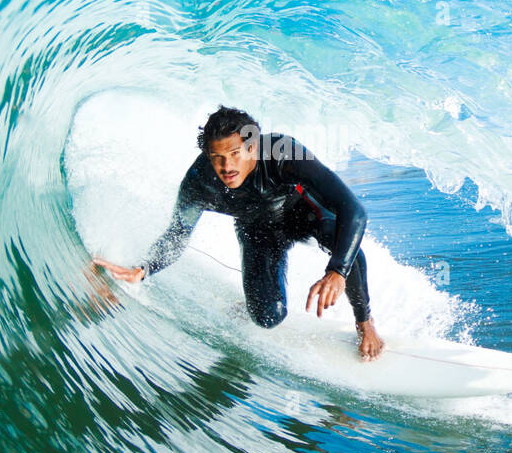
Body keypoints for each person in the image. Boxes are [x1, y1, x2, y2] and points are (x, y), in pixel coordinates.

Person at [94, 106, 385, 360]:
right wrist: (143, 270)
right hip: (257, 231)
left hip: (305, 214)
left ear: (252, 148)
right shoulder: (199, 183)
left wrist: (337, 271)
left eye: (234, 153)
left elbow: (354, 210)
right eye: (216, 157)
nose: (226, 166)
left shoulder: (282, 152)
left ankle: (365, 322)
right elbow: (177, 234)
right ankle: (252, 300)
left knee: (345, 246)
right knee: (267, 317)